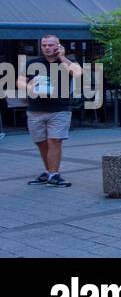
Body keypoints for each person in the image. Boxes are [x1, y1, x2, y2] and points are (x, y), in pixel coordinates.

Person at [25, 34, 83, 187]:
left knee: (54, 141)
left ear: (58, 46)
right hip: (35, 109)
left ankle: (54, 175)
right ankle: (49, 171)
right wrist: (29, 87)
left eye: (51, 45)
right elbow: (19, 80)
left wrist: (63, 57)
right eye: (44, 45)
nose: (47, 48)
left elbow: (78, 74)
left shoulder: (67, 62)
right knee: (42, 143)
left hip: (59, 109)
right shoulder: (33, 63)